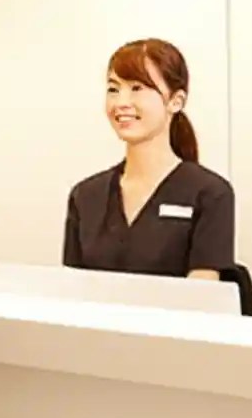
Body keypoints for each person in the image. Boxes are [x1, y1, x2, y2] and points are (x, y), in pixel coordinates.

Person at [62, 38, 235, 279]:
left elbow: (202, 295)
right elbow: (71, 290)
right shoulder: (85, 196)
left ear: (175, 101)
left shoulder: (210, 194)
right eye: (113, 89)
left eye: (137, 88)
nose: (121, 103)